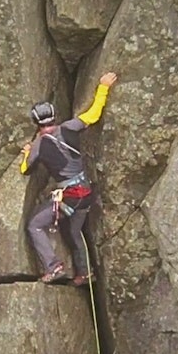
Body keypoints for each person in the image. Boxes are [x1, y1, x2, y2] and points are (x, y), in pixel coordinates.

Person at [20, 72, 117, 285]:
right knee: (72, 231)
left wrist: (28, 151)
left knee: (34, 225)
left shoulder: (38, 146)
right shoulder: (69, 127)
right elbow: (93, 115)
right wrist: (103, 87)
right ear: (54, 116)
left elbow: (26, 169)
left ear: (36, 123)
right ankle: (84, 273)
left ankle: (53, 267)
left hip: (70, 196)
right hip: (86, 193)